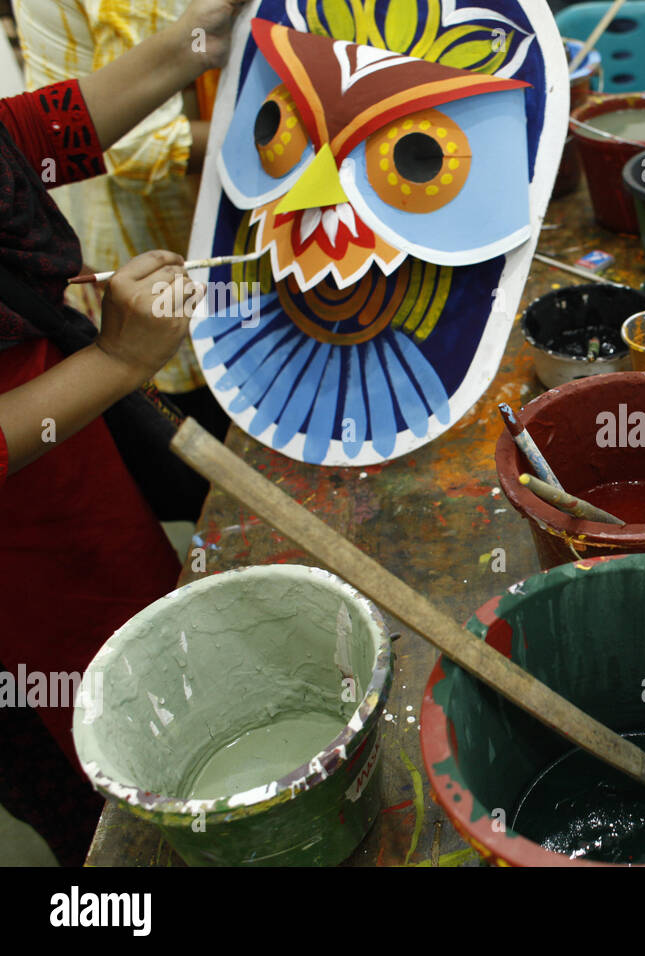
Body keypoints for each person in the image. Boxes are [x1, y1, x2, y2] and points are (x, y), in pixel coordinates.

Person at [0, 0, 249, 866]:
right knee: (109, 761)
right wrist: (117, 358)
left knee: (158, 656)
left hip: (72, 475)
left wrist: (207, 35)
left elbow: (31, 133)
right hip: (17, 566)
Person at [15, 0, 231, 502]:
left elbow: (28, 134)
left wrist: (195, 42)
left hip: (70, 382)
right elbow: (135, 149)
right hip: (37, 494)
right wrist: (118, 359)